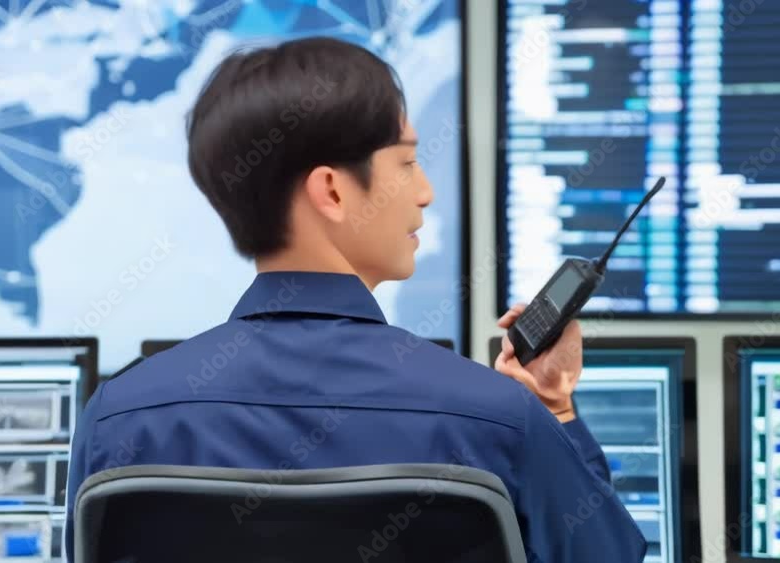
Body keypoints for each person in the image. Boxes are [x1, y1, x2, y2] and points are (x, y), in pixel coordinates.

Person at [63, 36, 646, 562]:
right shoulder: (496, 418)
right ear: (333, 191)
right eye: (407, 163)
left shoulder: (117, 419)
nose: (425, 192)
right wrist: (555, 411)